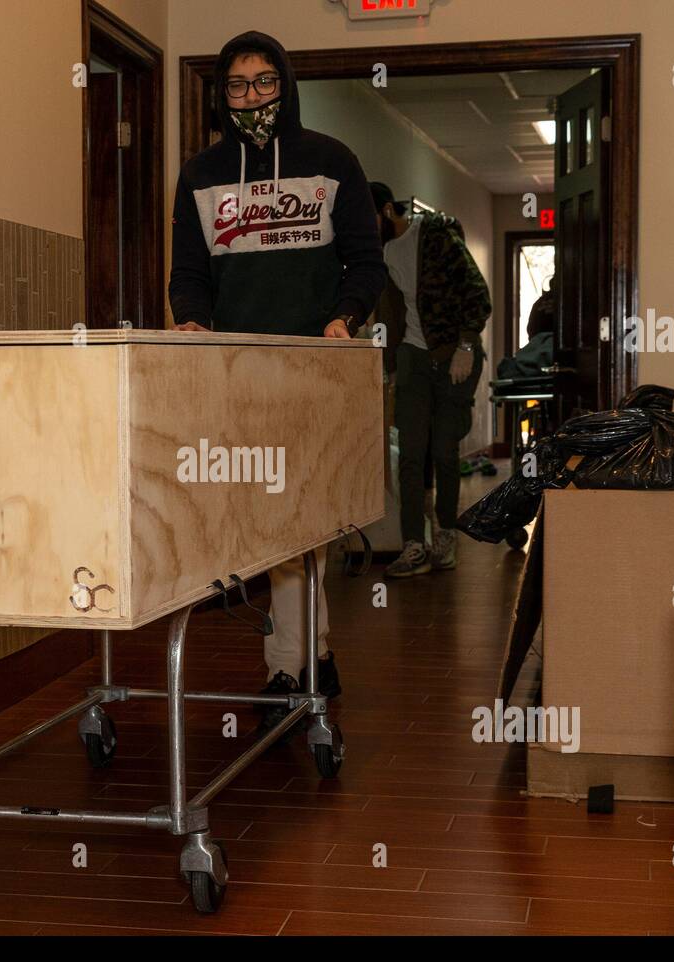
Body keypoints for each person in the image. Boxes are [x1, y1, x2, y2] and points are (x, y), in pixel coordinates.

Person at [168, 30, 387, 731]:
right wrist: (194, 323)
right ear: (220, 95)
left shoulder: (331, 162)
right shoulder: (202, 174)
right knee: (265, 523)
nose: (252, 97)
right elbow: (189, 273)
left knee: (299, 522)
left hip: (311, 374)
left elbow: (365, 261)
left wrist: (343, 318)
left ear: (286, 87)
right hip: (234, 377)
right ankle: (309, 656)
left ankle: (290, 667)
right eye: (238, 86)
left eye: (265, 83)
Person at [369, 182, 491, 578]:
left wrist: (467, 346)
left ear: (387, 210)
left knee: (443, 451)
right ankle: (413, 545)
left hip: (452, 352)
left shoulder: (435, 235)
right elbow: (388, 314)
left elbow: (477, 293)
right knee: (410, 453)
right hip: (412, 356)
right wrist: (389, 367)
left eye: (370, 217)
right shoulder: (379, 254)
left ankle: (446, 535)